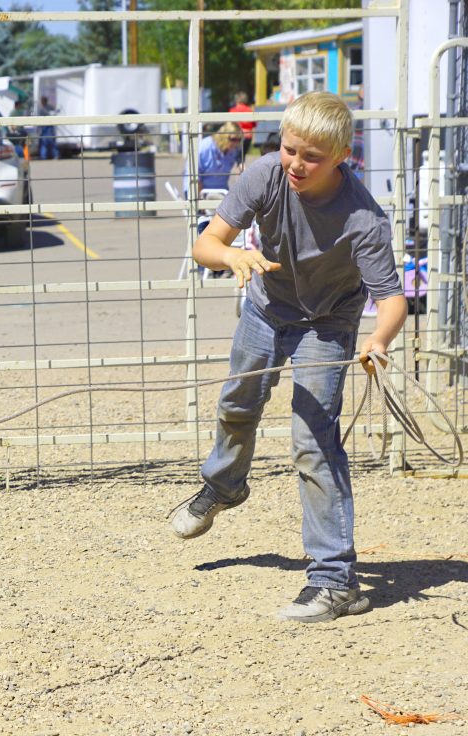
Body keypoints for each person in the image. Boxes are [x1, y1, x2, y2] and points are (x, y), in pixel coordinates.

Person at [168, 91, 406, 623]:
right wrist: (231, 255)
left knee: (314, 444)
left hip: (328, 323)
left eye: (312, 157)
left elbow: (392, 298)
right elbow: (206, 245)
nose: (296, 163)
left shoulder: (364, 219)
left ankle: (335, 583)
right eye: (289, 149)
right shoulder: (265, 174)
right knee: (236, 405)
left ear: (343, 155)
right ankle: (224, 486)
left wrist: (378, 340)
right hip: (266, 309)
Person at [195, 122, 244, 194]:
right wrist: (200, 199)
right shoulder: (204, 147)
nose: (236, 143)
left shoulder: (234, 150)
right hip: (202, 191)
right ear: (224, 136)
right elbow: (196, 177)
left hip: (222, 191)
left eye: (239, 140)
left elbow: (239, 163)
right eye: (233, 139)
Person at [229, 91, 256, 156]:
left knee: (236, 156)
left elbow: (229, 124)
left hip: (236, 135)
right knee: (243, 156)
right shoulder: (249, 110)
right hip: (248, 136)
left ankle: (239, 165)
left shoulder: (232, 110)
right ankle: (241, 165)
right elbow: (254, 124)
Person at [37, 96, 59, 161]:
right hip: (44, 127)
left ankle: (53, 155)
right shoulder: (42, 109)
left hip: (48, 127)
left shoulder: (47, 108)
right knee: (45, 143)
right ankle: (44, 156)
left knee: (49, 142)